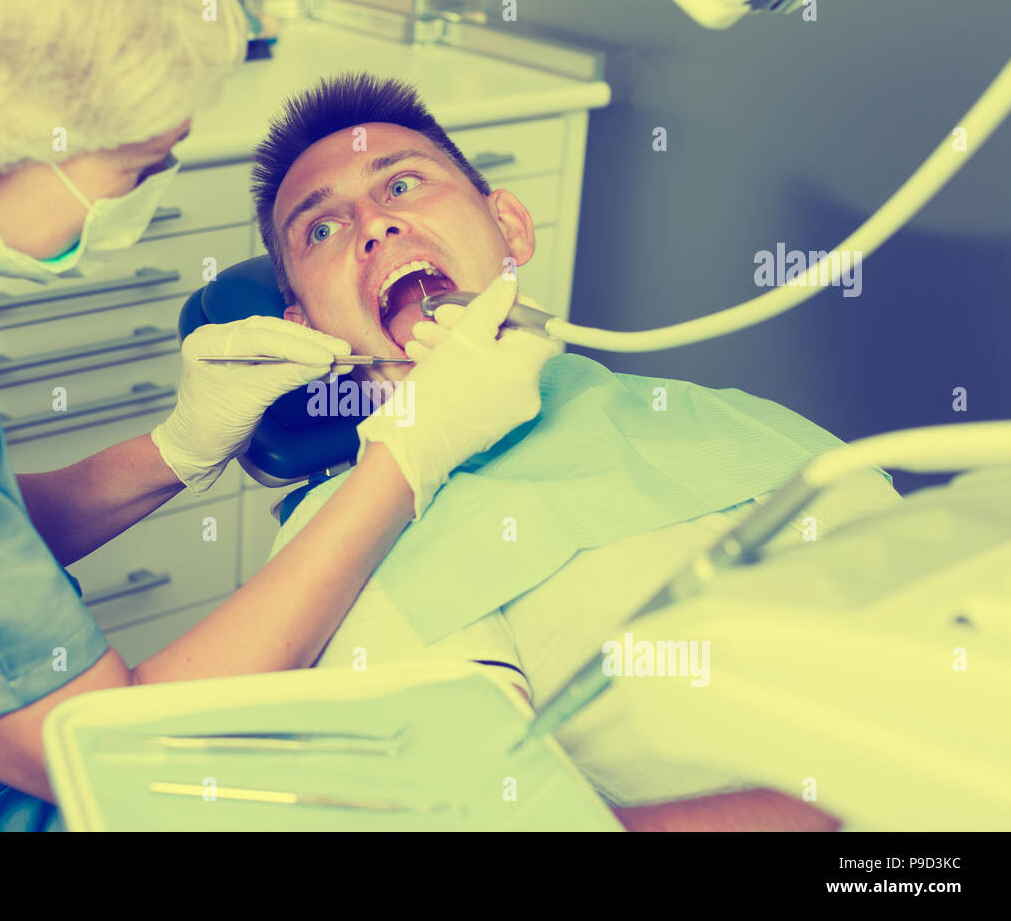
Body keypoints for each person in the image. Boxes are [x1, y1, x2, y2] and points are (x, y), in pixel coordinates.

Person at [0, 0, 559, 830]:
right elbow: (109, 748)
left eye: (403, 188)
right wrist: (406, 458)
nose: (153, 183)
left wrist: (173, 451)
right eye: (137, 166)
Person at [249, 72, 905, 830]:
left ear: (512, 230)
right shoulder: (346, 542)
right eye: (321, 230)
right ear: (308, 335)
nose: (373, 226)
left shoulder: (732, 417)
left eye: (402, 184)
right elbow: (491, 819)